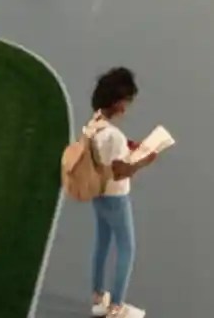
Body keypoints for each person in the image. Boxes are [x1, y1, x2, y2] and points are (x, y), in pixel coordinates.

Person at [87, 68, 157, 318]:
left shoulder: (95, 125)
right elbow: (121, 172)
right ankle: (116, 307)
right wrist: (145, 159)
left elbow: (105, 153)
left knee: (103, 242)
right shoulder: (114, 135)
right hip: (116, 198)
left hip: (97, 194)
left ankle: (98, 296)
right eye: (126, 102)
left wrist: (128, 147)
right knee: (127, 248)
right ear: (118, 103)